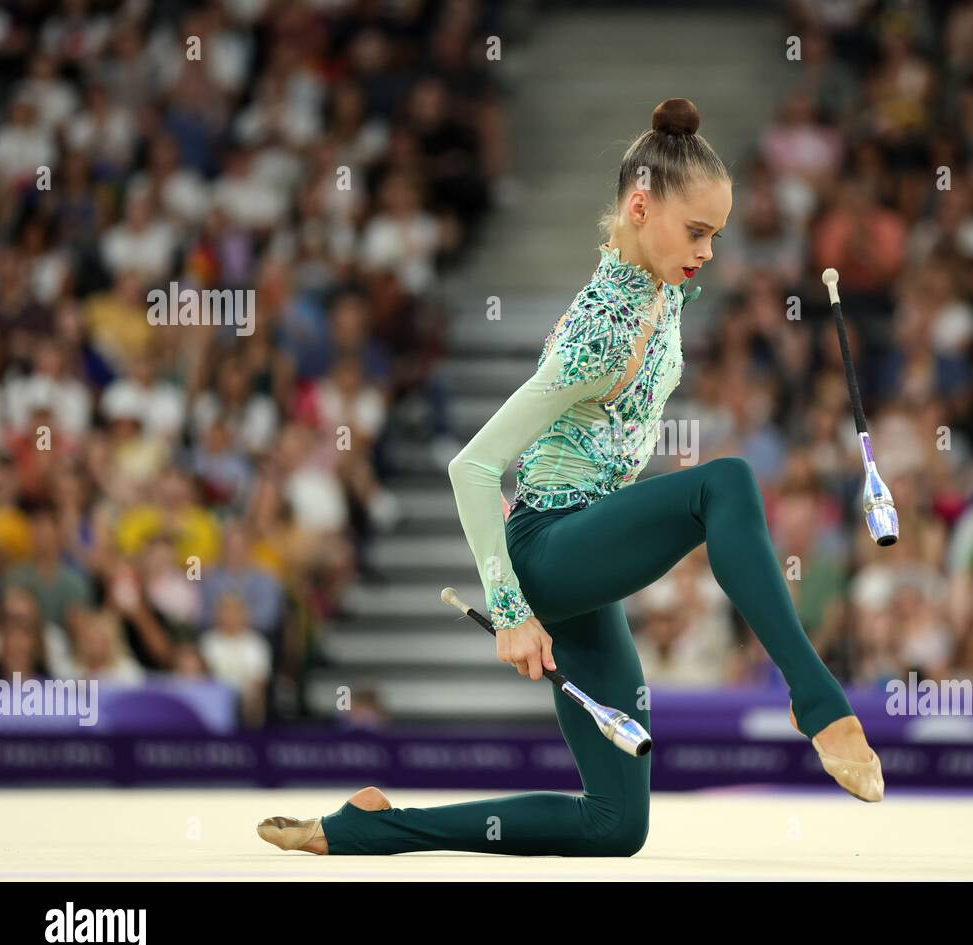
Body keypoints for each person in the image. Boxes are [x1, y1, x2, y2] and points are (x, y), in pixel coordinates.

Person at [257, 98, 882, 858]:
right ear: (642, 207)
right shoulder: (599, 334)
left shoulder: (661, 282)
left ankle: (370, 828)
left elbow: (651, 262)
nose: (708, 253)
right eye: (697, 233)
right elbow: (473, 466)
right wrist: (511, 609)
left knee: (617, 825)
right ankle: (817, 701)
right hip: (550, 550)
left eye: (716, 235)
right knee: (725, 486)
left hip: (587, 556)